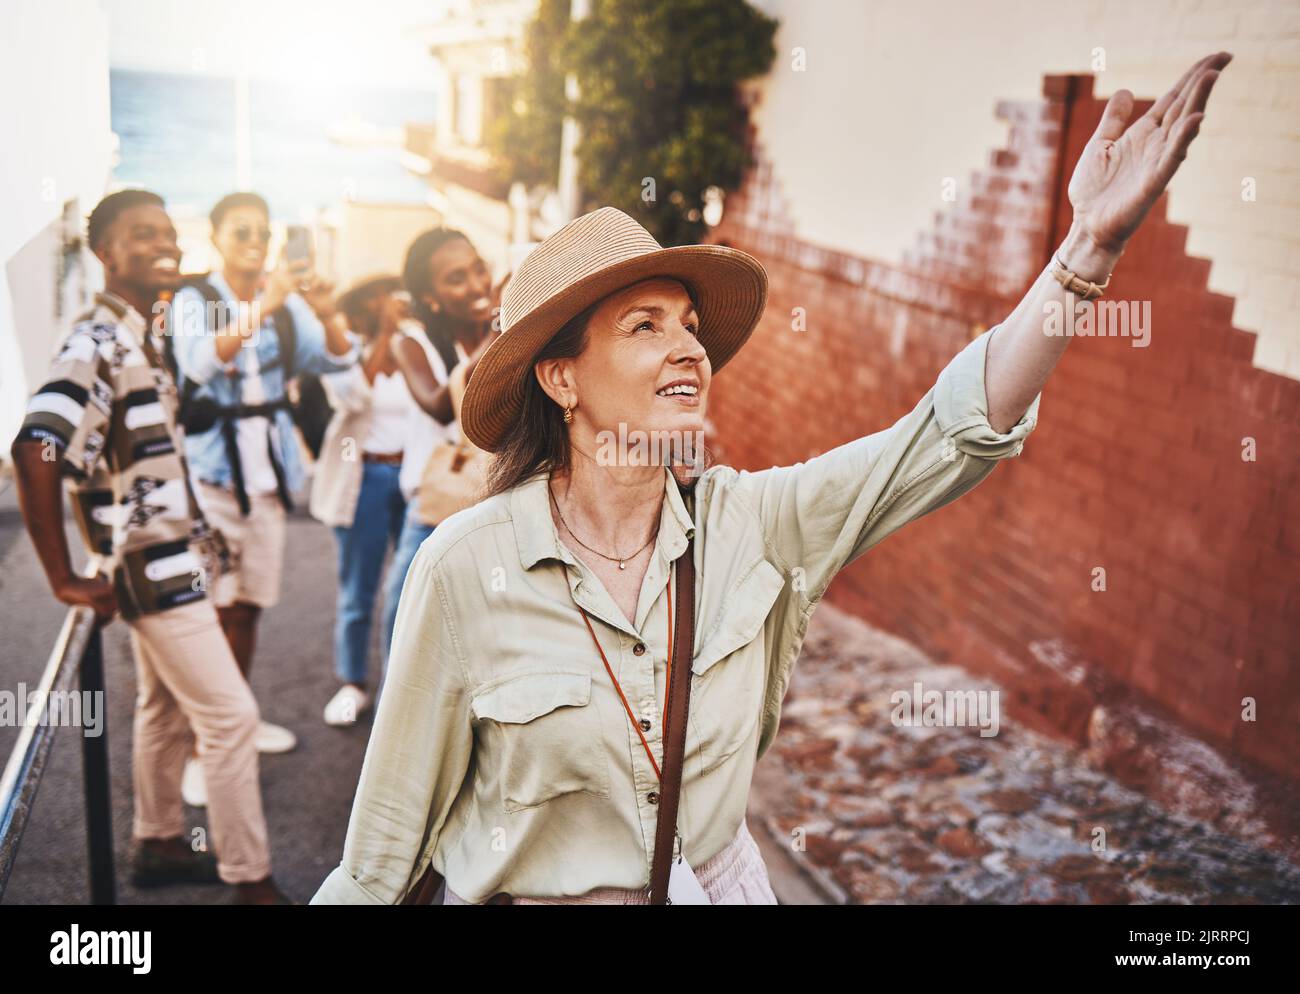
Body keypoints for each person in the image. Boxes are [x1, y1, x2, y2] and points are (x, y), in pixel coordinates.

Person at [310, 53, 1231, 905]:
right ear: (561, 378)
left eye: (689, 325)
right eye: (644, 327)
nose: (689, 350)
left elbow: (944, 435)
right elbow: (381, 853)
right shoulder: (467, 569)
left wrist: (1084, 258)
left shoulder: (753, 524)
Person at [11, 189, 292, 904]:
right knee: (230, 719)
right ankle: (249, 882)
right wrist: (66, 577)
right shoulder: (97, 341)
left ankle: (159, 842)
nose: (163, 244)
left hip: (172, 562)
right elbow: (38, 446)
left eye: (169, 233)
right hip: (153, 572)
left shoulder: (142, 336)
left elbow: (100, 462)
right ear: (105, 253)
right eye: (141, 234)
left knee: (163, 710)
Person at [169, 193, 357, 799]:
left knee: (248, 606)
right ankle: (206, 745)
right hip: (212, 482)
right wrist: (265, 305)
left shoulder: (286, 307)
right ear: (217, 237)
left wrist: (326, 313)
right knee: (212, 611)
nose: (254, 240)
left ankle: (236, 721)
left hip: (268, 483)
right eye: (240, 230)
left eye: (262, 230)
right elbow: (198, 364)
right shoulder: (192, 302)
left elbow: (340, 362)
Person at [374, 229, 503, 666]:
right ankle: (395, 721)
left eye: (478, 269)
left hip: (494, 503)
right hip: (435, 509)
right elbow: (439, 406)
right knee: (405, 621)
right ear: (430, 296)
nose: (476, 285)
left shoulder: (502, 331)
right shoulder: (411, 343)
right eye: (456, 278)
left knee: (484, 629)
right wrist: (498, 334)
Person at [309, 275, 424, 725]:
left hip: (413, 478)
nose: (388, 301)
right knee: (359, 589)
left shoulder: (416, 345)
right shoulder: (344, 348)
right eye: (376, 296)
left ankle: (406, 685)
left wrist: (398, 335)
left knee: (414, 586)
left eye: (391, 294)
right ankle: (353, 683)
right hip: (365, 477)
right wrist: (385, 336)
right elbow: (354, 396)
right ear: (361, 304)